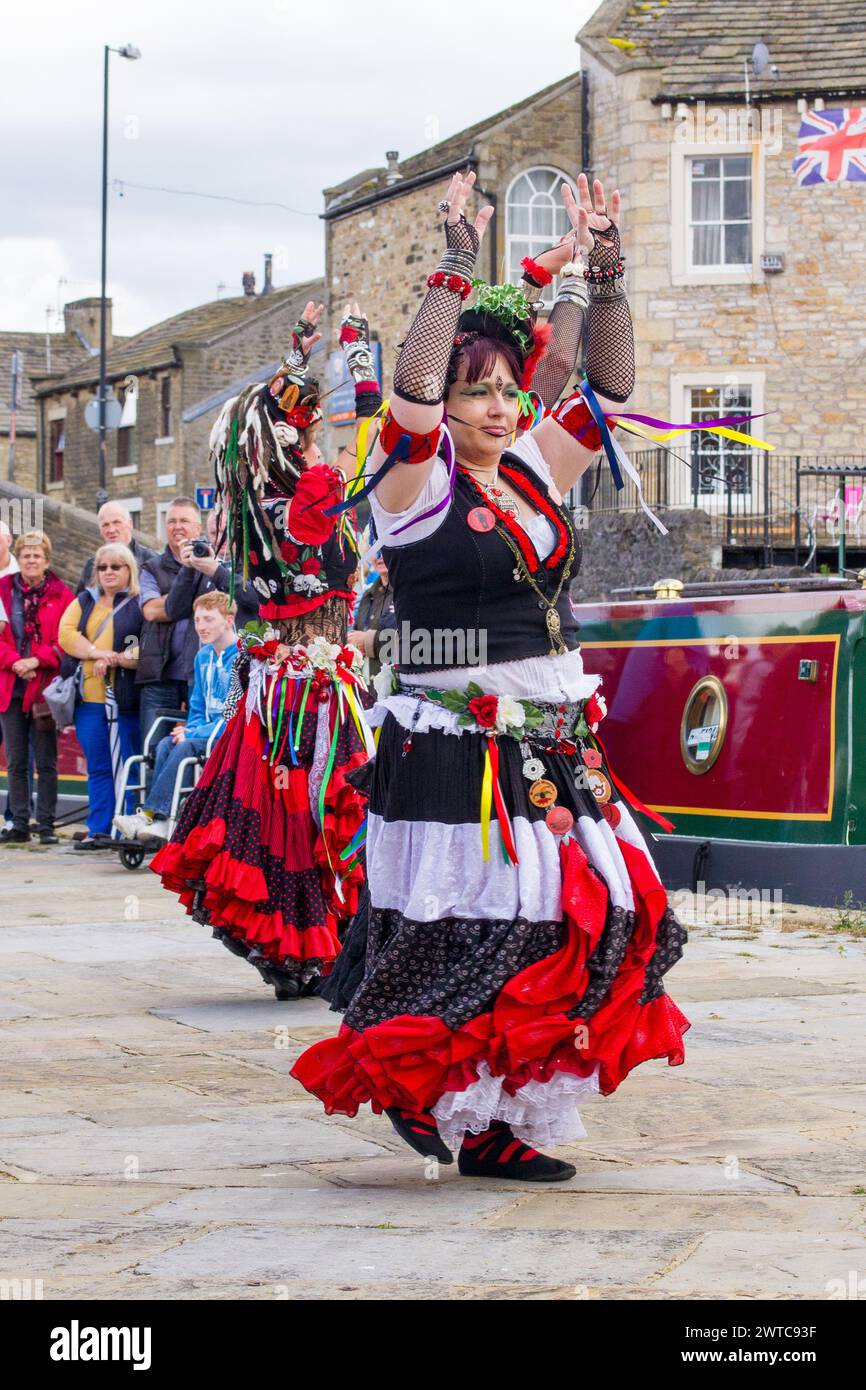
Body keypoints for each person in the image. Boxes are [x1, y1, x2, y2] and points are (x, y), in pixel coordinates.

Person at [291, 172, 690, 1182]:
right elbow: (414, 390)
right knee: (468, 919)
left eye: (509, 388)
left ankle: (503, 1101)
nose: (502, 405)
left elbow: (609, 390)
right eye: (481, 390)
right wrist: (455, 268)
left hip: (551, 733)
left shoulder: (535, 469)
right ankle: (439, 1098)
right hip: (449, 743)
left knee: (588, 909)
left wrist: (603, 268)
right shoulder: (409, 487)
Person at [151, 301, 376, 999]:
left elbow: (253, 592)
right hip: (307, 696)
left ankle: (298, 955)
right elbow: (373, 440)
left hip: (279, 693)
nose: (317, 434)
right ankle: (314, 952)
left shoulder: (255, 512)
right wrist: (356, 353)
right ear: (290, 444)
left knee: (287, 824)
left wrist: (304, 350)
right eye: (307, 428)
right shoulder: (309, 498)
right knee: (318, 818)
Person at [114, 590, 237, 842]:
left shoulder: (242, 657)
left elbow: (235, 714)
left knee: (184, 746)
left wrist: (192, 733)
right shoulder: (202, 656)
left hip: (229, 734)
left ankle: (152, 814)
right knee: (165, 744)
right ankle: (159, 818)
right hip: (204, 732)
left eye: (208, 619)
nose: (201, 626)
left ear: (229, 620)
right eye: (197, 620)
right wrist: (190, 729)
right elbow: (197, 704)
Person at [58, 543, 143, 847]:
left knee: (128, 764)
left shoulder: (138, 604)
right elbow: (66, 635)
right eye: (102, 567)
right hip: (90, 701)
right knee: (99, 766)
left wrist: (116, 659)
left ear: (128, 570)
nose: (108, 572)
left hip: (126, 699)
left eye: (115, 566)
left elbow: (140, 644)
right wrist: (97, 653)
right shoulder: (85, 601)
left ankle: (127, 827)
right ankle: (99, 828)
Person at [0, 531, 73, 844]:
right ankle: (19, 822)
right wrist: (16, 660)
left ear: (47, 560)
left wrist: (36, 661)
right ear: (20, 558)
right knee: (16, 761)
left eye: (37, 555)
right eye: (26, 555)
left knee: (46, 760)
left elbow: (65, 641)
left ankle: (45, 823)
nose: (31, 560)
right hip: (10, 683)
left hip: (43, 688)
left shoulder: (62, 594)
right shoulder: (3, 589)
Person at [136, 496, 218, 749]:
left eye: (184, 520)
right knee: (153, 747)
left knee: (196, 747)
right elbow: (151, 611)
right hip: (160, 675)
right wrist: (194, 603)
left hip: (202, 673)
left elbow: (220, 608)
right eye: (171, 521)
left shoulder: (211, 562)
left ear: (198, 528)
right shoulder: (151, 567)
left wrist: (170, 601)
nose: (177, 526)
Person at [75, 501, 156, 593]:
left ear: (130, 524)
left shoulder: (151, 561)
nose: (111, 530)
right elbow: (80, 603)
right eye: (105, 525)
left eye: (116, 522)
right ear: (100, 530)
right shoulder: (92, 565)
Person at [348, 553, 395, 678]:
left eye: (385, 548)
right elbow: (358, 631)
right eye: (376, 550)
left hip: (399, 685)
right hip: (370, 686)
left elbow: (418, 639)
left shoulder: (408, 593)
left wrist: (368, 640)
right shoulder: (368, 595)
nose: (380, 555)